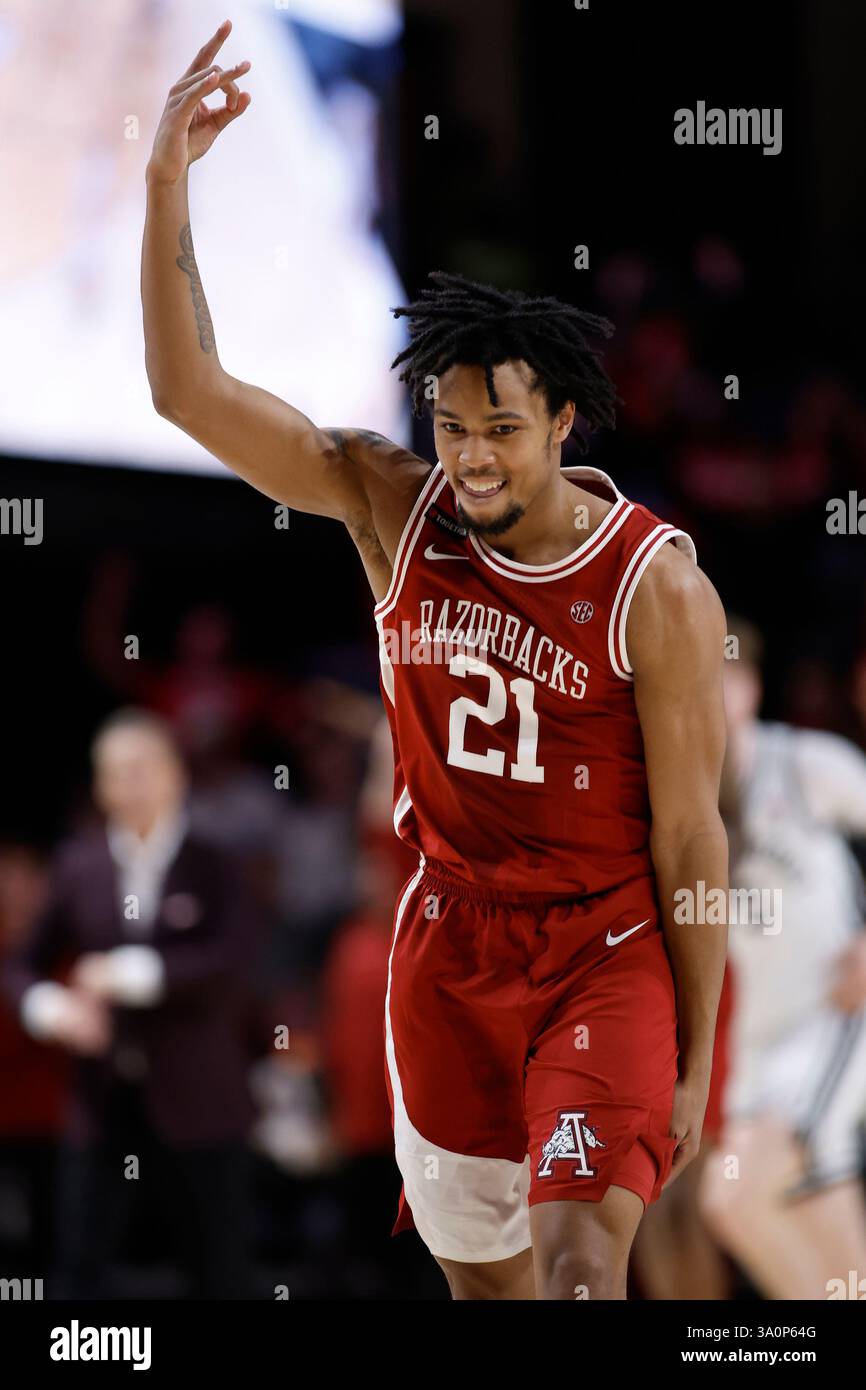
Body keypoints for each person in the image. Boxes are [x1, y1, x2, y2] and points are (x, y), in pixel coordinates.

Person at [141, 20, 729, 1300]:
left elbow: (690, 841)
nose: (469, 457)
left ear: (561, 420)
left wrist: (688, 1059)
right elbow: (188, 397)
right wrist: (166, 183)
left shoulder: (655, 586)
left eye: (500, 431)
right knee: (494, 1293)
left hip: (601, 947)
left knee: (581, 1273)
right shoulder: (387, 503)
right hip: (448, 951)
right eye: (451, 427)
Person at [1, 708, 260, 1298]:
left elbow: (233, 959)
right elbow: (19, 966)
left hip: (202, 1104)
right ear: (99, 784)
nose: (131, 783)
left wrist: (128, 973)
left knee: (220, 1271)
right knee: (79, 1271)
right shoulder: (77, 866)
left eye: (144, 767)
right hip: (101, 1101)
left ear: (176, 775)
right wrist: (50, 1009)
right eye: (116, 772)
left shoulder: (216, 865)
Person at [699, 618, 866, 1299]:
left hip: (836, 1015)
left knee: (740, 1192)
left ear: (747, 687)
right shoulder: (681, 804)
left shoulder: (803, 763)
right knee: (771, 1214)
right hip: (759, 1049)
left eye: (717, 677)